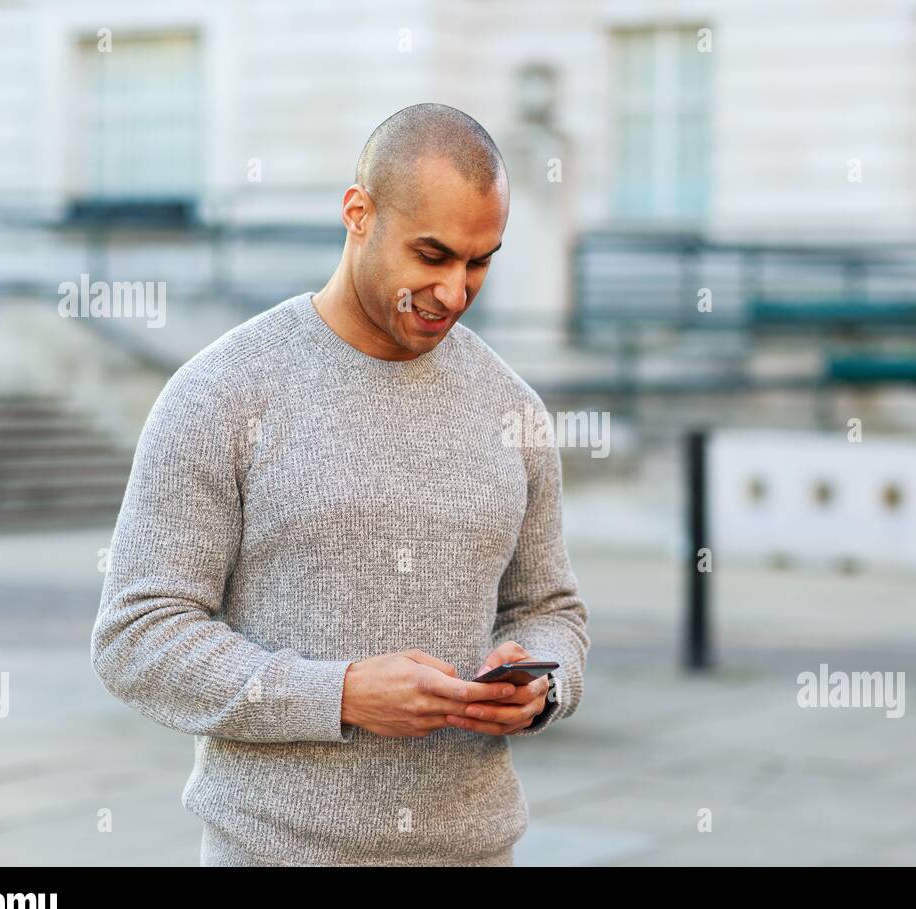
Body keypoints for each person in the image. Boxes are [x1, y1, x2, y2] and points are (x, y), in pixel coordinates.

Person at [90, 103, 590, 866]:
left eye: (479, 261)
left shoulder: (512, 406)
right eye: (432, 255)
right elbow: (137, 635)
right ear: (358, 213)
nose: (454, 292)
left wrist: (542, 685)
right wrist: (340, 694)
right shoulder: (223, 392)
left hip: (477, 850)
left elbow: (549, 607)